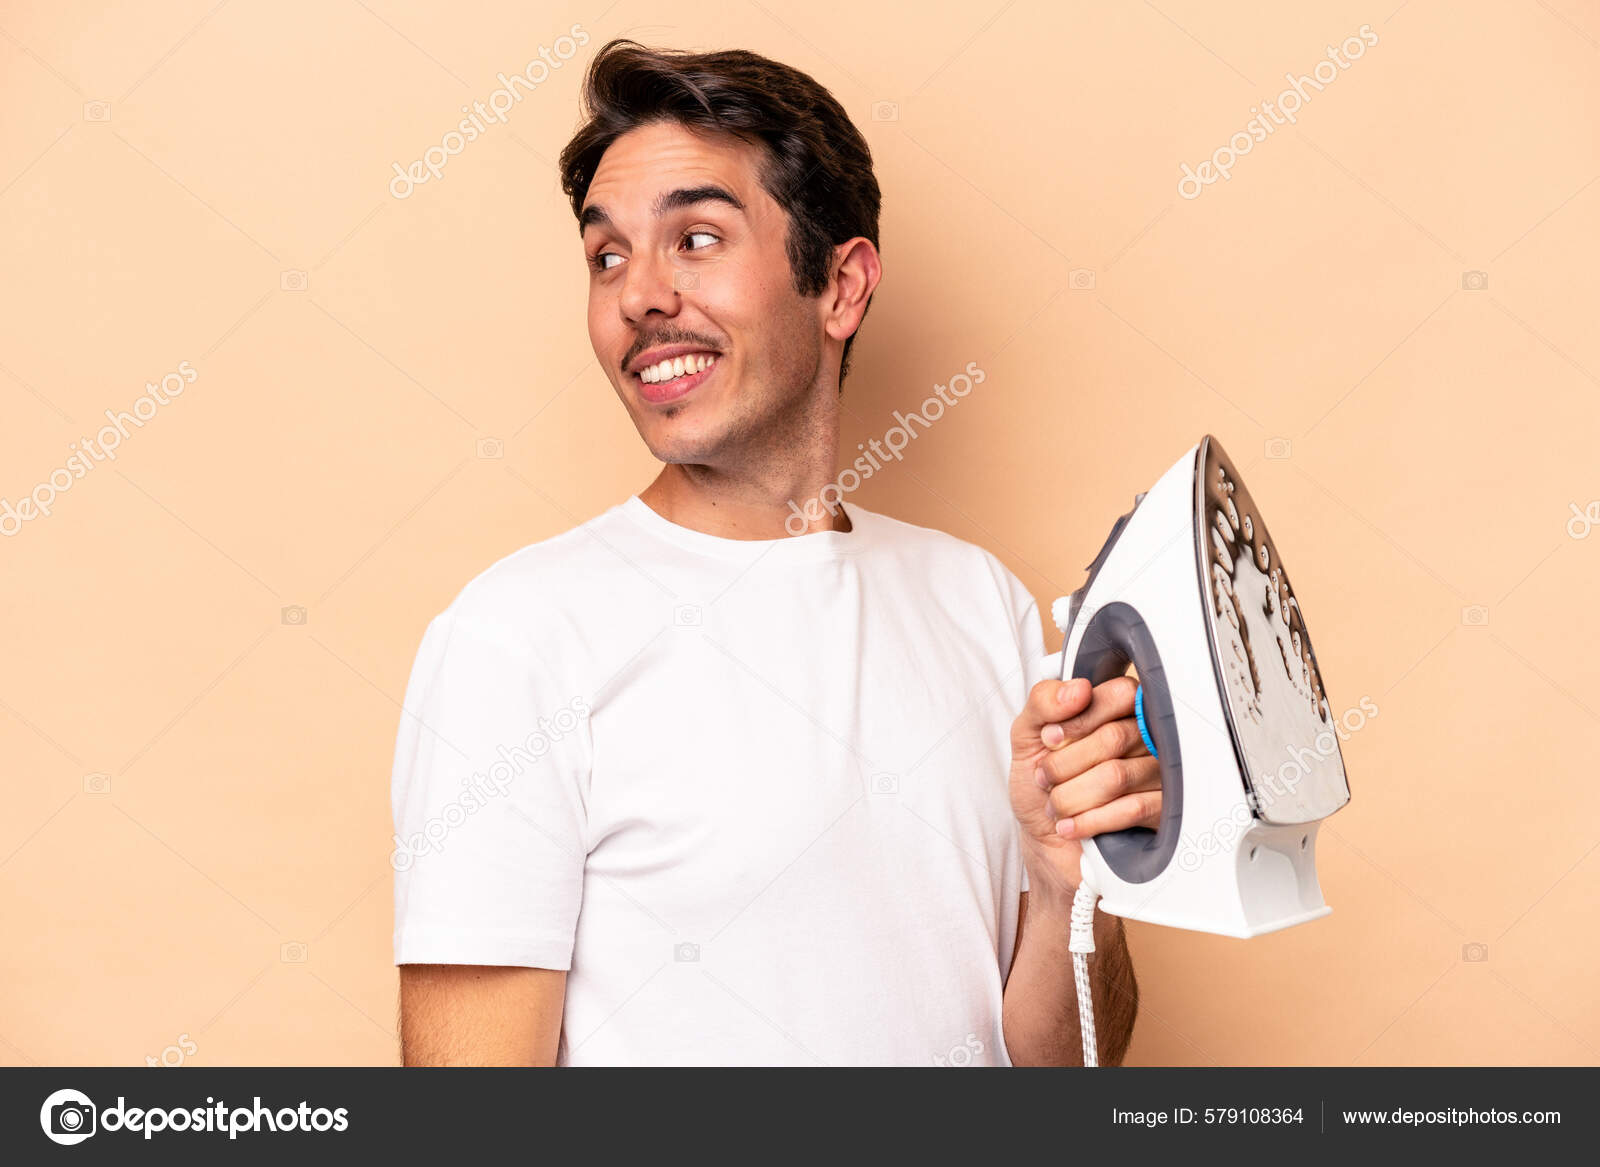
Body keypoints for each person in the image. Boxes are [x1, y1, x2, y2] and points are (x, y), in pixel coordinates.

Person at [391, 39, 1158, 1066]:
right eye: (606, 255)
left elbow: (1069, 1071)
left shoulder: (983, 604)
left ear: (840, 287)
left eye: (695, 238)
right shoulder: (517, 637)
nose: (638, 296)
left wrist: (1069, 890)